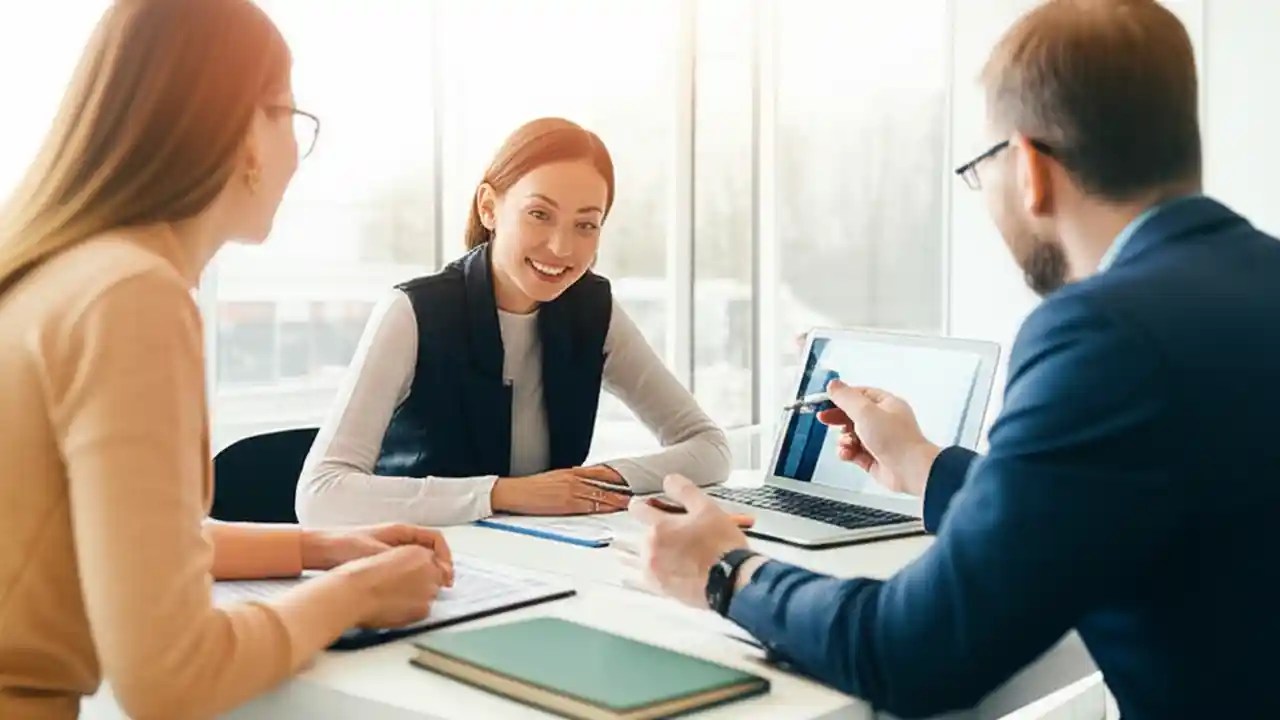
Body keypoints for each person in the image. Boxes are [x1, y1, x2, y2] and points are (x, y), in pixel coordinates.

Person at [625, 1, 1280, 717]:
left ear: (1028, 166)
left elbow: (914, 652)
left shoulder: (1103, 334)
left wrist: (726, 570)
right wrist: (925, 465)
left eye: (978, 167)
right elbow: (1106, 498)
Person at [0, 2, 454, 718]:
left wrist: (323, 547)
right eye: (291, 118)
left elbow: (134, 542)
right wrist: (356, 596)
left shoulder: (51, 274)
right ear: (246, 128)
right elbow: (172, 678)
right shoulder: (133, 296)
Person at [295, 118, 730, 527]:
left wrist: (595, 481)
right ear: (489, 208)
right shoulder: (413, 312)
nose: (561, 247)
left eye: (585, 225)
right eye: (539, 214)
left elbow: (709, 447)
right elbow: (321, 495)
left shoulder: (594, 311)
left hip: (543, 559)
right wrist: (504, 494)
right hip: (425, 562)